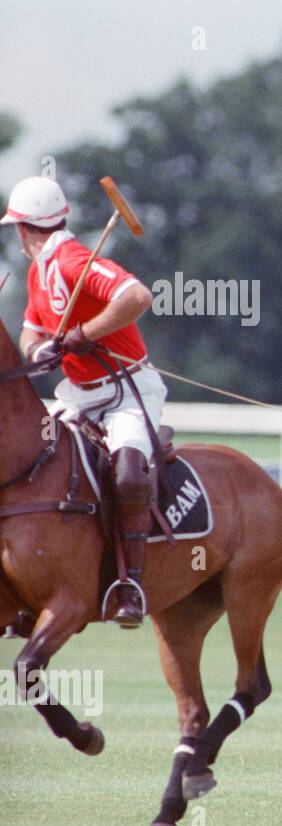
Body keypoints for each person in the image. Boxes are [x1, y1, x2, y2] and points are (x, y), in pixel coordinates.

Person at [2, 175, 161, 628]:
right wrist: (41, 350)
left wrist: (82, 335)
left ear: (21, 228)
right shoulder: (39, 271)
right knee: (26, 460)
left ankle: (130, 583)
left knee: (129, 473)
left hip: (128, 391)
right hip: (77, 395)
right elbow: (32, 328)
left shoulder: (73, 260)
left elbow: (137, 296)